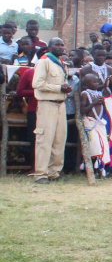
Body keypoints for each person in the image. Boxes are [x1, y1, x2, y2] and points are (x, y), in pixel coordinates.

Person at [30, 38, 72, 183]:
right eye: (57, 45)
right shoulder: (44, 61)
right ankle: (41, 174)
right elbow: (37, 83)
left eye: (62, 44)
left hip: (61, 104)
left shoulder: (61, 63)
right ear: (49, 47)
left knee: (59, 139)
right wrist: (58, 88)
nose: (61, 47)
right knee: (44, 140)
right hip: (47, 104)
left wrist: (65, 88)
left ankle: (54, 172)